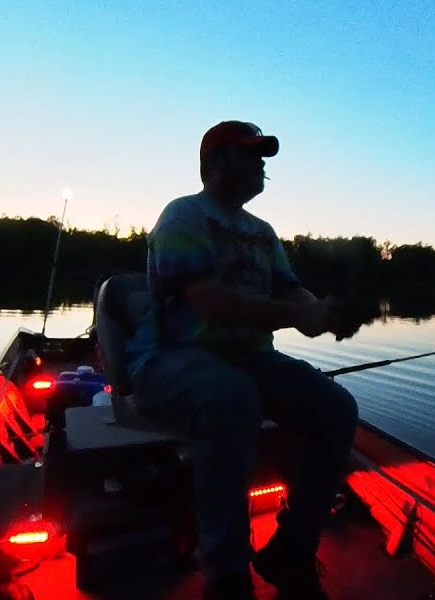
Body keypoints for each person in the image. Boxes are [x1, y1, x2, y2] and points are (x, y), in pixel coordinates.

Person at [125, 120, 359, 600]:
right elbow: (211, 300)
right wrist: (299, 314)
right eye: (250, 155)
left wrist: (321, 310)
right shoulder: (183, 217)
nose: (261, 166)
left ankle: (291, 549)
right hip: (170, 359)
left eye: (263, 158)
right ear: (214, 164)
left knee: (337, 408)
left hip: (250, 361)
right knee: (232, 398)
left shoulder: (262, 231)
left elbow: (288, 287)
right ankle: (225, 575)